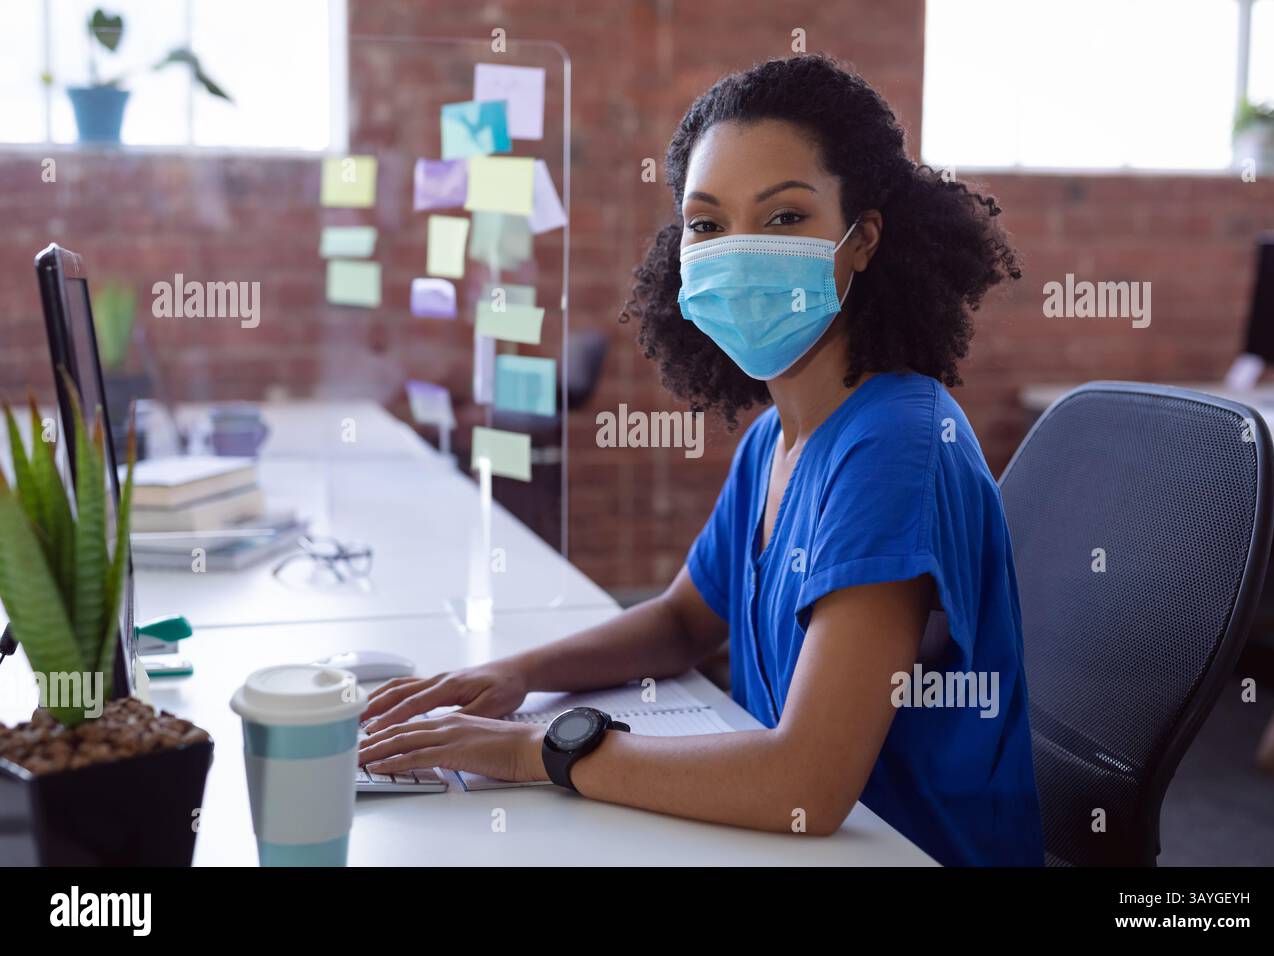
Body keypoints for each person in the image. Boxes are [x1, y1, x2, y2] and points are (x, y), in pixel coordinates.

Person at [358, 54, 1043, 866]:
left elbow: (806, 784)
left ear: (862, 239)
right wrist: (513, 678)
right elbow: (686, 620)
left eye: (785, 217)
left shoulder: (894, 446)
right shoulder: (775, 438)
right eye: (708, 225)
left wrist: (530, 752)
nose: (739, 249)